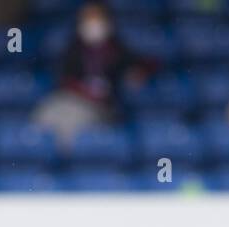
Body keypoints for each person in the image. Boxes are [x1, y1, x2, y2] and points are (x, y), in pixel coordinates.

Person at [31, 2, 151, 146]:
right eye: (88, 19)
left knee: (71, 122)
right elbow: (64, 78)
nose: (92, 24)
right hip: (72, 99)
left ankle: (68, 160)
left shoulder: (118, 50)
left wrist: (138, 73)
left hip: (102, 107)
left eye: (96, 18)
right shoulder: (74, 48)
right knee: (46, 112)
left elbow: (146, 63)